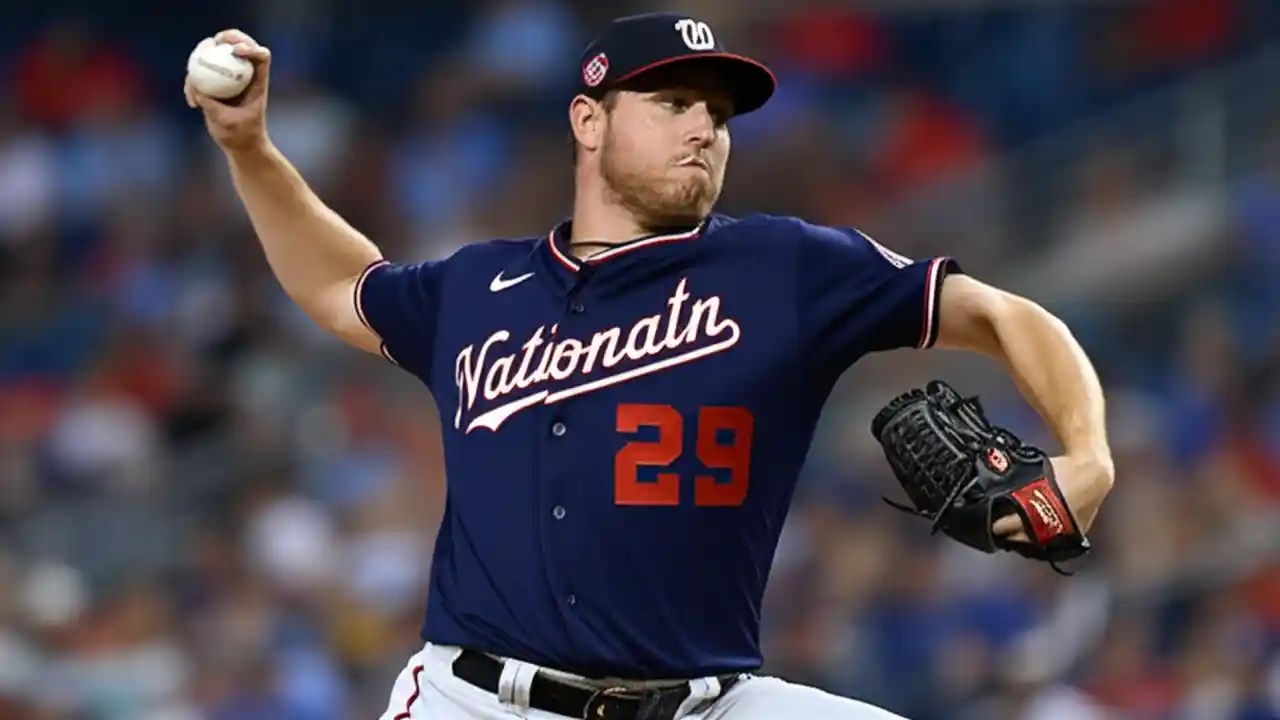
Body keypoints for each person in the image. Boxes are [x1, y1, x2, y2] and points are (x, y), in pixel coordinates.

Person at [185, 13, 1115, 720]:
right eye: (672, 104)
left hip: (711, 701)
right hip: (481, 701)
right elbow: (343, 284)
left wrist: (1087, 456)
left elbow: (1002, 315)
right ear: (589, 121)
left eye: (717, 113)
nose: (704, 128)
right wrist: (250, 150)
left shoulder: (787, 268)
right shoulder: (477, 288)